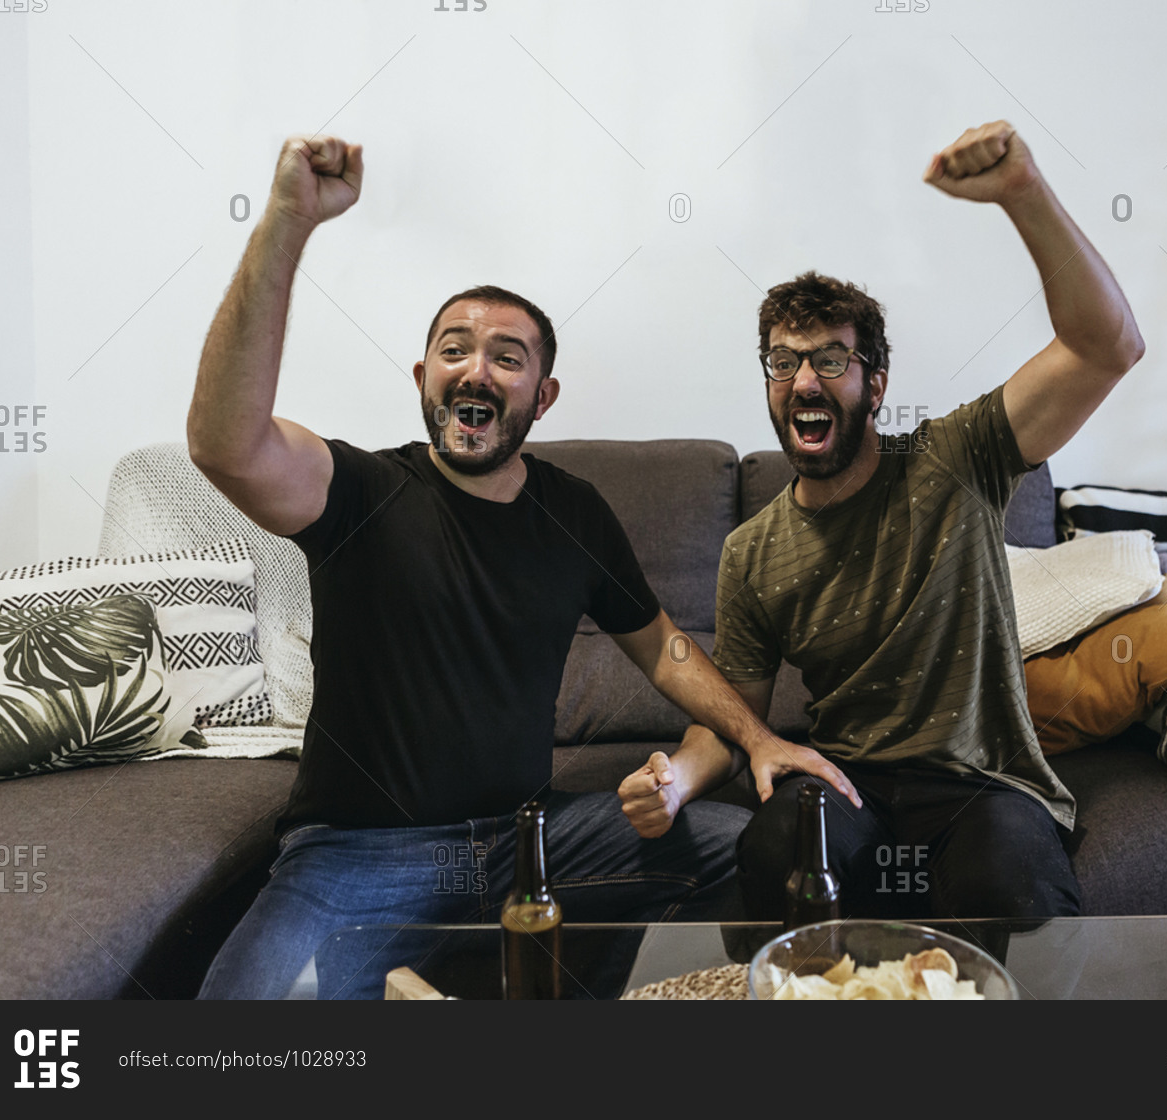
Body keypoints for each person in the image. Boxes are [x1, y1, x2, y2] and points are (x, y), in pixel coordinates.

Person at [188, 135, 826, 999]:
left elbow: (665, 650)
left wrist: (756, 737)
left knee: (754, 853)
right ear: (424, 377)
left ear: (542, 395)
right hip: (358, 854)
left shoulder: (575, 512)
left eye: (506, 356)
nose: (475, 368)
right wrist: (289, 224)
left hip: (533, 839)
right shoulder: (358, 487)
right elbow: (227, 445)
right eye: (454, 349)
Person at [618, 120, 1145, 924]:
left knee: (1007, 889)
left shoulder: (955, 457)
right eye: (784, 361)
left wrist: (1022, 192)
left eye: (831, 360)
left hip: (981, 785)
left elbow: (1107, 346)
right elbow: (734, 721)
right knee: (776, 855)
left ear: (875, 382)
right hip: (845, 783)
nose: (804, 380)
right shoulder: (751, 554)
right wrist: (675, 781)